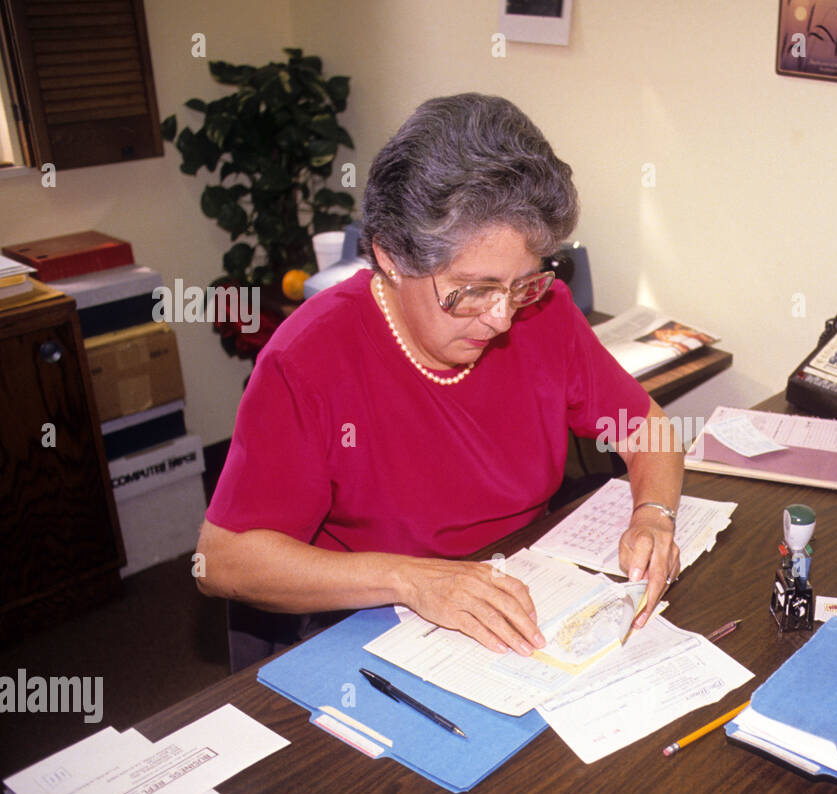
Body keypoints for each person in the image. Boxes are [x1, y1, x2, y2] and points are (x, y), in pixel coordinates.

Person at [197, 93, 683, 669]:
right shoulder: (308, 359)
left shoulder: (541, 310)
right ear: (390, 258)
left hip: (524, 594)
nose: (503, 316)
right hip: (374, 624)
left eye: (522, 282)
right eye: (473, 290)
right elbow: (222, 562)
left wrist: (654, 514)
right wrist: (410, 580)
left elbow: (646, 427)